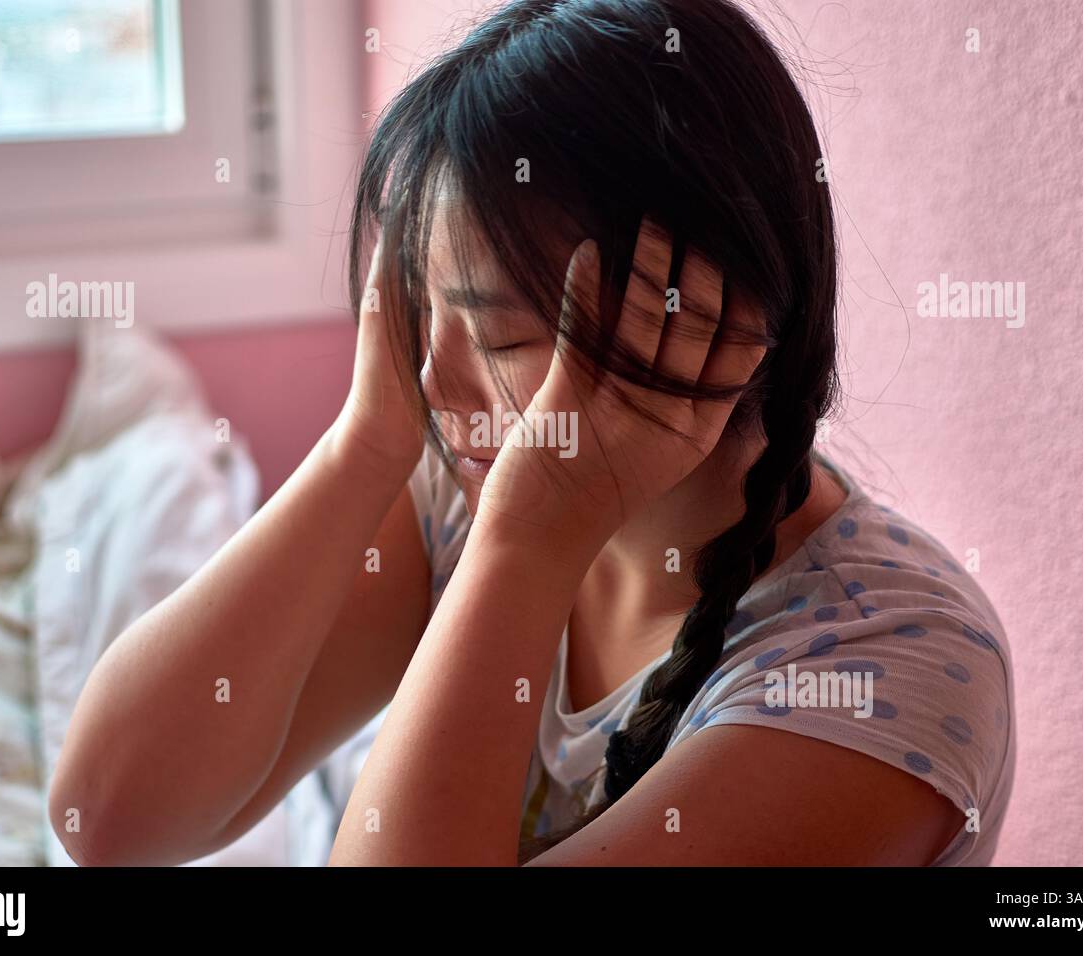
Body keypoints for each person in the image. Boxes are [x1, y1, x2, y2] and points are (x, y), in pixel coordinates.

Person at [50, 0, 1014, 867]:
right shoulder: (456, 488)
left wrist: (529, 535)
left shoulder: (889, 666)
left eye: (503, 334)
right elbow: (109, 817)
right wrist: (365, 446)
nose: (436, 381)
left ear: (721, 328)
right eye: (427, 315)